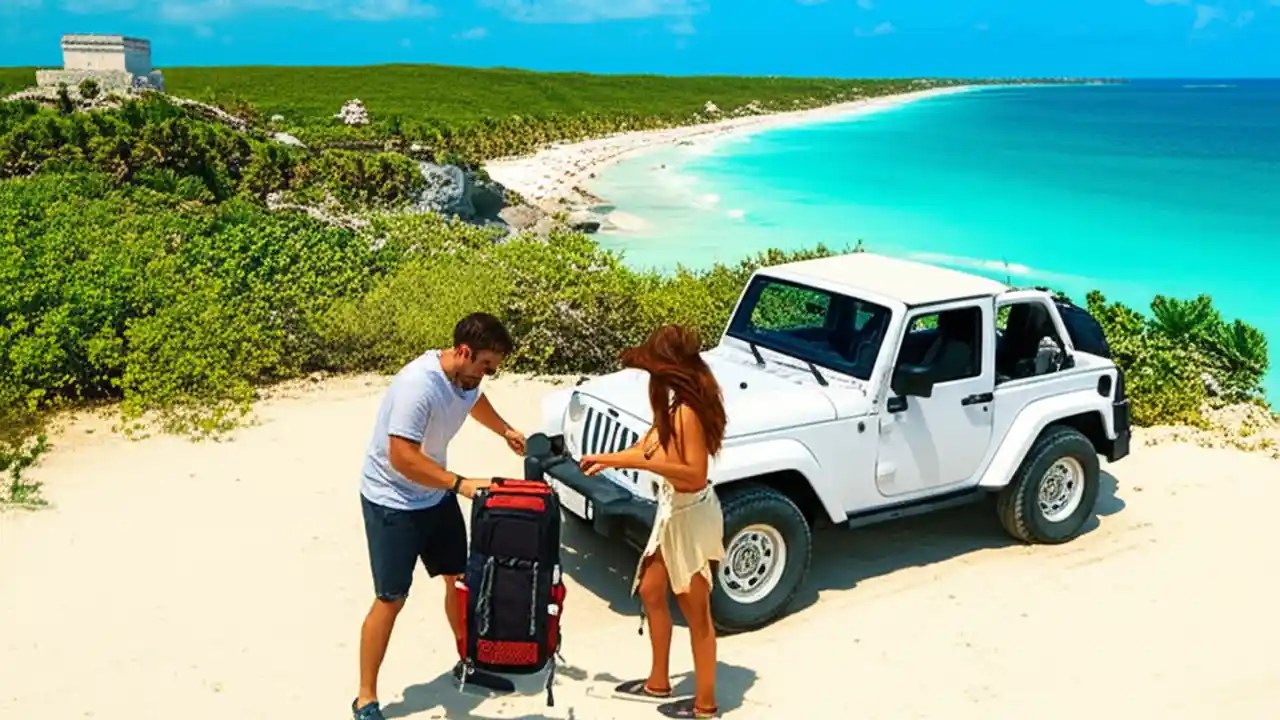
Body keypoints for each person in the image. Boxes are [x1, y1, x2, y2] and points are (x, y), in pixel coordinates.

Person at [352, 312, 527, 720]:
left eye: (493, 369)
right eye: (484, 366)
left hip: (436, 495)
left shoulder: (466, 379)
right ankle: (365, 699)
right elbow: (403, 458)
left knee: (462, 581)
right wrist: (459, 483)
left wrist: (505, 430)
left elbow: (473, 400)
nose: (486, 375)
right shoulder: (418, 385)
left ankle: (468, 663)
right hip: (391, 500)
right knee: (391, 598)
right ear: (462, 352)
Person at [579, 324, 727, 719]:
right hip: (672, 511)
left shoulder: (690, 411)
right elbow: (646, 447)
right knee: (650, 589)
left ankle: (705, 707)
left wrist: (622, 461)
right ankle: (657, 682)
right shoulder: (680, 401)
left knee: (697, 615)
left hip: (691, 516)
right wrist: (606, 458)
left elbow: (693, 473)